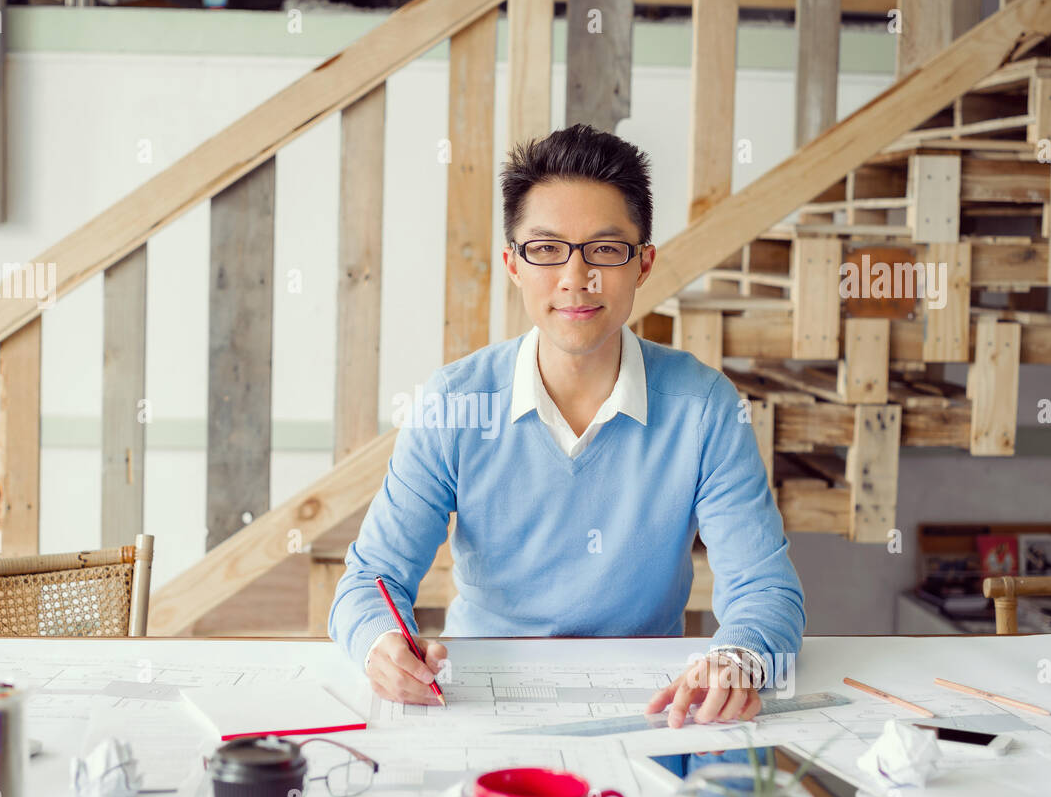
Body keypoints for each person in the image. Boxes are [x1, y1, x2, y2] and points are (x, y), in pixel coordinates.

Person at [328, 123, 805, 730]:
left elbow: (766, 588)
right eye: (546, 249)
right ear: (513, 263)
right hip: (475, 697)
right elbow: (372, 579)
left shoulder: (704, 407)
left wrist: (738, 659)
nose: (575, 277)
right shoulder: (455, 401)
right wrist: (379, 645)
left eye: (605, 250)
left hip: (650, 706)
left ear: (643, 263)